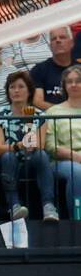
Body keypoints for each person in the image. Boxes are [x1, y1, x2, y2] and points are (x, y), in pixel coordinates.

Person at [0, 70, 57, 222]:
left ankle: (49, 206)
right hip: (9, 163)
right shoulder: (0, 114)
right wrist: (20, 145)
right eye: (12, 87)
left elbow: (40, 145)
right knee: (8, 156)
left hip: (31, 161)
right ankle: (14, 206)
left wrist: (31, 146)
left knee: (41, 155)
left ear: (29, 91)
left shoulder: (39, 115)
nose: (16, 91)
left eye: (21, 87)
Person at [44, 65, 81, 216]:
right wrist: (77, 157)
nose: (74, 85)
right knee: (78, 171)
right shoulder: (53, 112)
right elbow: (51, 146)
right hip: (62, 161)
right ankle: (78, 220)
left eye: (78, 81)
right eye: (69, 81)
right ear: (64, 86)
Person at [29, 27, 79, 109]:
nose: (58, 40)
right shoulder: (38, 70)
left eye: (62, 37)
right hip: (50, 118)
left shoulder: (79, 69)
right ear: (50, 46)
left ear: (72, 43)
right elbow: (37, 101)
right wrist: (64, 111)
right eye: (53, 39)